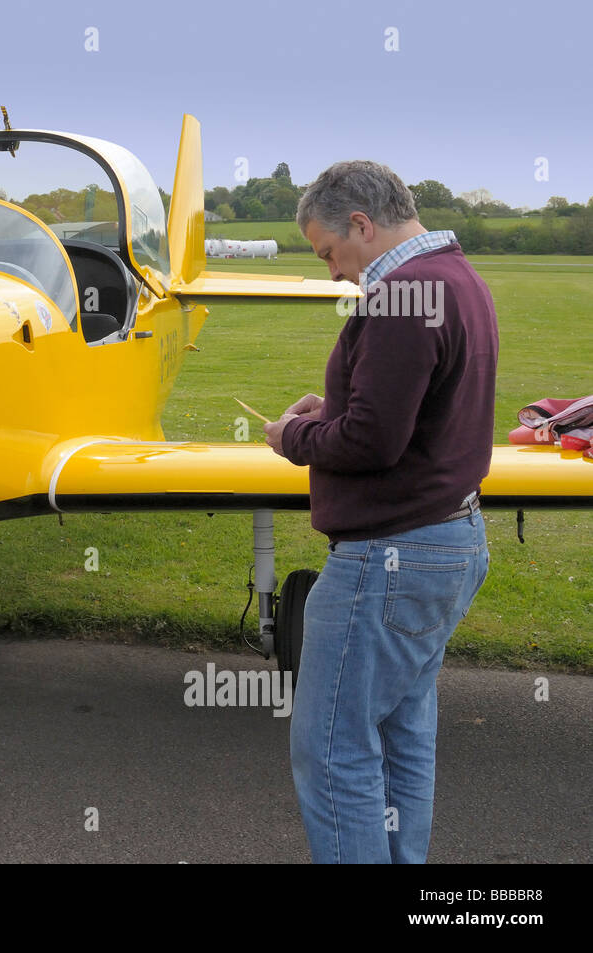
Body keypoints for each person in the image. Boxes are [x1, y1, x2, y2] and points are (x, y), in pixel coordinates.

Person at [263, 160, 498, 863]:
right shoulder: (458, 277)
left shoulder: (401, 295)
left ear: (361, 224)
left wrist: (293, 436)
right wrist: (338, 408)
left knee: (333, 750)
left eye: (330, 253)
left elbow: (373, 441)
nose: (334, 272)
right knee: (402, 739)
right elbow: (416, 414)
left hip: (389, 559)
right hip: (449, 541)